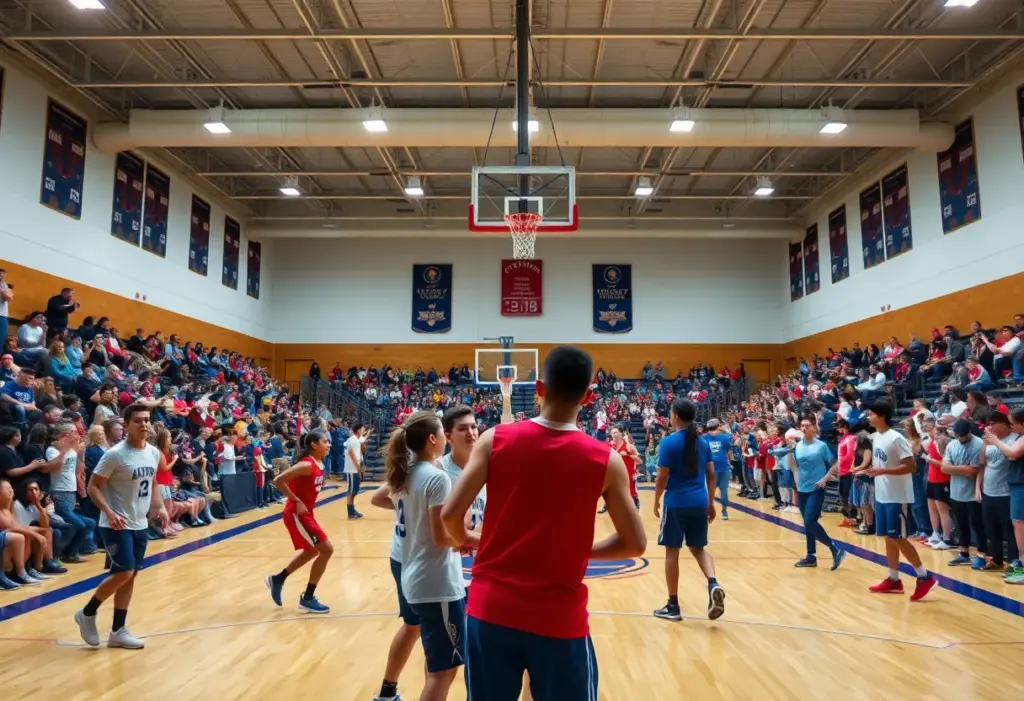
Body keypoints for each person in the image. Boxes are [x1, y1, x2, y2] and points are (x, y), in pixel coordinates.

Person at [441, 345, 647, 701]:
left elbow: (449, 516)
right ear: (587, 394)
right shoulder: (606, 460)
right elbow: (634, 544)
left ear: (539, 388)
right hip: (558, 618)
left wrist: (471, 539)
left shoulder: (494, 440)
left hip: (490, 611)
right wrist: (580, 553)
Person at [376, 411, 476, 701]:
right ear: (434, 438)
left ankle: (386, 692)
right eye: (447, 432)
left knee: (439, 667)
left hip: (417, 576)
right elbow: (442, 537)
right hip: (437, 584)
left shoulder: (407, 473)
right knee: (442, 674)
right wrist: (475, 540)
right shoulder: (437, 477)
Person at [74, 403, 170, 649]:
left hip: (139, 523)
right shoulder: (115, 454)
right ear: (126, 426)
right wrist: (109, 511)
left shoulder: (153, 452)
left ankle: (118, 631)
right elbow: (93, 486)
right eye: (138, 420)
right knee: (124, 571)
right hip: (115, 523)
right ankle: (87, 612)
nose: (144, 424)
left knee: (131, 575)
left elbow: (154, 482)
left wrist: (158, 507)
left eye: (147, 419)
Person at [652, 397, 726, 622]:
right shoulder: (702, 443)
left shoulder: (668, 442)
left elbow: (662, 476)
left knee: (672, 551)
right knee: (698, 548)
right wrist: (711, 503)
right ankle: (713, 582)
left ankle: (673, 605)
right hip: (699, 501)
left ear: (675, 416)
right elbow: (711, 474)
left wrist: (656, 500)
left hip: (676, 503)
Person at [865, 401, 936, 600]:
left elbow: (911, 466)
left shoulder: (896, 438)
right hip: (883, 494)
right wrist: (871, 470)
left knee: (898, 537)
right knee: (889, 538)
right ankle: (893, 579)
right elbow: (883, 464)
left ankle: (924, 577)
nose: (868, 417)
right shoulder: (876, 437)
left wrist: (883, 470)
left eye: (871, 414)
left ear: (881, 416)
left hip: (898, 496)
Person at [265, 428, 333, 614]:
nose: (329, 444)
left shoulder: (319, 463)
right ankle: (308, 598)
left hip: (306, 514)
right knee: (326, 549)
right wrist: (296, 500)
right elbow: (278, 480)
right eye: (325, 441)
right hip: (296, 514)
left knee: (312, 551)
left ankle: (278, 579)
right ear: (314, 444)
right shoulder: (306, 465)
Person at [779, 416, 846, 570]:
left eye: (807, 425)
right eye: (802, 426)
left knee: (809, 520)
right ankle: (811, 556)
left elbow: (835, 464)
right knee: (808, 523)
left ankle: (835, 549)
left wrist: (826, 478)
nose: (804, 428)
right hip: (802, 487)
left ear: (814, 428)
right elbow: (792, 466)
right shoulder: (797, 446)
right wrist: (789, 451)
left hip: (817, 487)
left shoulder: (821, 446)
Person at [985, 407, 1024, 583]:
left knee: (1019, 525)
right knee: (1017, 525)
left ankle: (1021, 567)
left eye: (1014, 423)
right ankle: (1020, 565)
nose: (1012, 426)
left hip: (1020, 486)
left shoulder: (1020, 439)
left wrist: (995, 441)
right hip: (1016, 485)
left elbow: (1012, 453)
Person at [977, 411, 1020, 572]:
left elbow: (1012, 456)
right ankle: (996, 559)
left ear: (1002, 423)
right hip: (989, 491)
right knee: (991, 529)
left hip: (1006, 492)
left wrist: (995, 442)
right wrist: (978, 487)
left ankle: (1015, 562)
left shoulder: (1014, 439)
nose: (989, 427)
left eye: (992, 424)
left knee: (1009, 530)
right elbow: (983, 463)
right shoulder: (988, 440)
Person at [703, 418, 733, 520]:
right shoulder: (725, 437)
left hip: (710, 467)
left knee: (710, 490)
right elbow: (729, 454)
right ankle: (724, 512)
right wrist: (730, 462)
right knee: (724, 490)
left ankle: (708, 510)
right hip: (724, 467)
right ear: (718, 425)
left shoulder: (704, 438)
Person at [344, 423, 366, 519]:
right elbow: (351, 454)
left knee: (355, 490)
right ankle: (350, 511)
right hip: (351, 469)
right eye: (362, 429)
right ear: (358, 430)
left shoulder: (356, 440)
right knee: (351, 490)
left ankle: (352, 508)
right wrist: (358, 468)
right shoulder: (353, 440)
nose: (363, 431)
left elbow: (357, 455)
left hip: (355, 468)